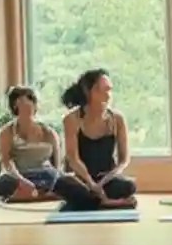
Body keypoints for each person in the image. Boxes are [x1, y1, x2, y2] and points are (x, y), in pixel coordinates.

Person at [59, 69, 137, 210]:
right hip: (82, 179)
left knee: (129, 186)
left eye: (109, 90)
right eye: (103, 90)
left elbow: (124, 160)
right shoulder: (71, 119)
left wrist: (103, 182)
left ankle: (94, 201)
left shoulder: (117, 119)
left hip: (107, 179)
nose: (108, 96)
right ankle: (105, 202)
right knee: (62, 183)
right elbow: (73, 158)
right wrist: (91, 183)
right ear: (89, 92)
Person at [0, 85, 76, 202]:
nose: (27, 106)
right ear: (14, 106)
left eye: (30, 101)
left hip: (44, 175)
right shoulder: (5, 132)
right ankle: (41, 195)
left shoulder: (48, 132)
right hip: (17, 176)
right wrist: (21, 180)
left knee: (64, 180)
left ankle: (28, 195)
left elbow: (57, 165)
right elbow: (6, 162)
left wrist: (58, 178)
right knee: (2, 183)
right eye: (21, 102)